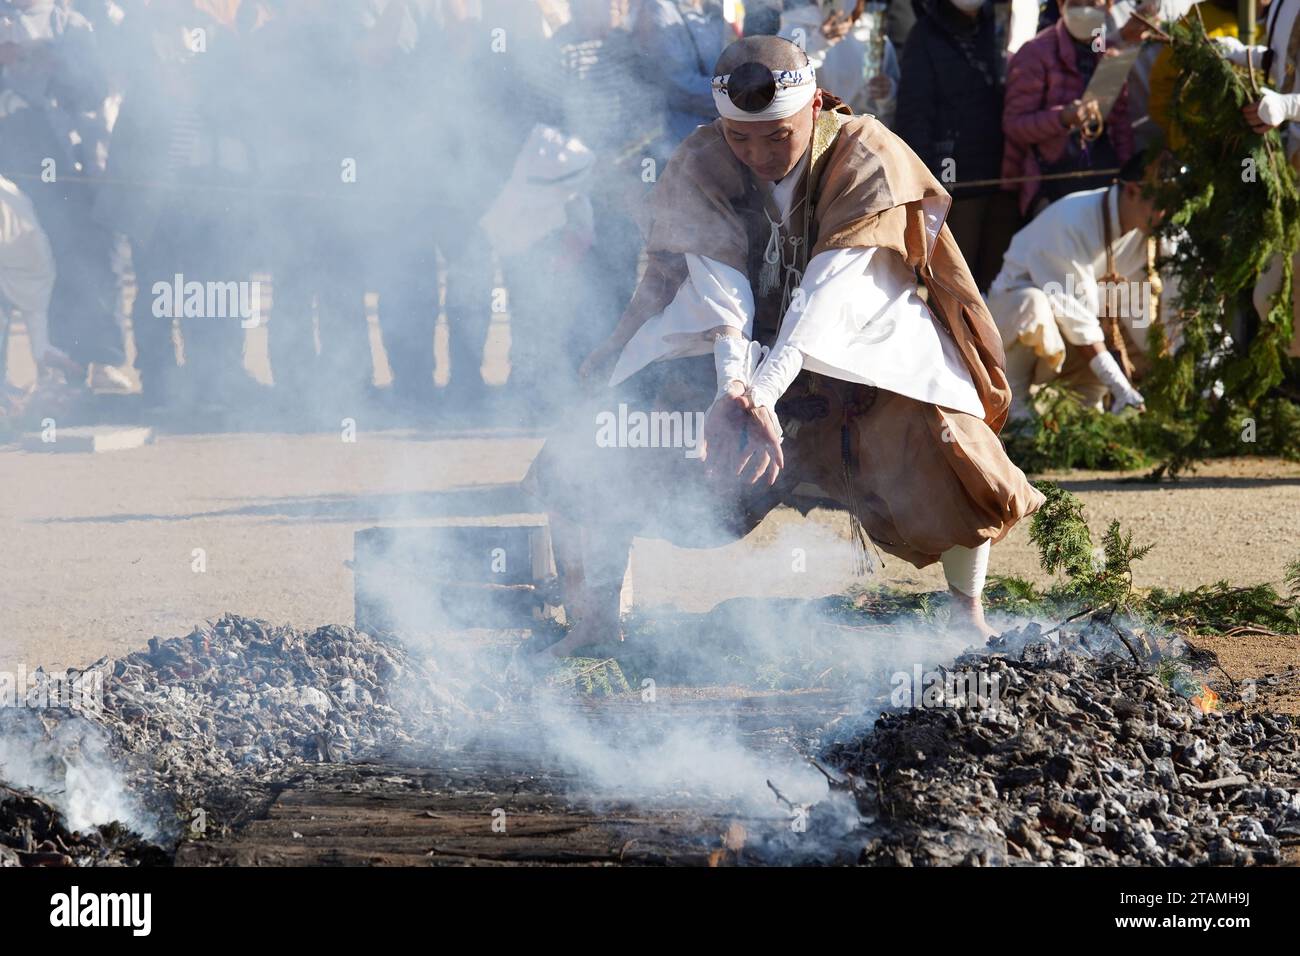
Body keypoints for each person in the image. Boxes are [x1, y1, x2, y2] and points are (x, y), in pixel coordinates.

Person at [525, 34, 1044, 657]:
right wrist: (733, 394)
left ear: (814, 108)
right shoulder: (703, 158)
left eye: (777, 136)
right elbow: (722, 300)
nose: (758, 153)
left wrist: (761, 395)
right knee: (602, 436)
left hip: (855, 348)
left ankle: (968, 620)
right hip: (733, 358)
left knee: (946, 436)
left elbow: (830, 298)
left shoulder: (868, 154)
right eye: (740, 138)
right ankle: (594, 625)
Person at [987, 155, 1166, 419]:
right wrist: (1119, 385)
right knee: (1032, 303)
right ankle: (1014, 405)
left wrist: (1162, 368)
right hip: (1009, 332)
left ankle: (1086, 413)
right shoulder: (1071, 220)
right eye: (1163, 203)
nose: (1169, 213)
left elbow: (1137, 309)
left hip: (1074, 337)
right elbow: (1077, 320)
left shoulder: (1147, 231)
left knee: (1118, 318)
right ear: (1132, 191)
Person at [895, 0, 1020, 292]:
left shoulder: (1001, 24)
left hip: (1007, 178)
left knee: (999, 288)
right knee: (955, 289)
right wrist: (925, 189)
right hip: (955, 185)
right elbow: (914, 118)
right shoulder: (924, 35)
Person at [1214, 0, 1300, 359]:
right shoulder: (1283, 3)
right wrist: (1243, 55)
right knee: (1271, 295)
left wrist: (1288, 106)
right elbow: (1285, 59)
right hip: (1291, 166)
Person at [1002, 0, 1136, 218]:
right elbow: (1014, 125)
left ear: (1109, 6)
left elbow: (1121, 128)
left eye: (1092, 2)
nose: (1084, 8)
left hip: (1102, 186)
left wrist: (1125, 179)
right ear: (1060, 4)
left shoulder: (1109, 56)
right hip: (1049, 188)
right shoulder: (1035, 52)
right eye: (1075, 2)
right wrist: (1061, 118)